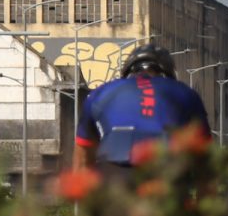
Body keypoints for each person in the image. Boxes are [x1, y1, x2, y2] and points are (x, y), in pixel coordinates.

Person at [76, 43, 211, 179]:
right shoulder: (185, 93)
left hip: (114, 171)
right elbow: (204, 156)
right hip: (165, 171)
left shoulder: (101, 92)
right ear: (169, 73)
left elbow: (83, 156)